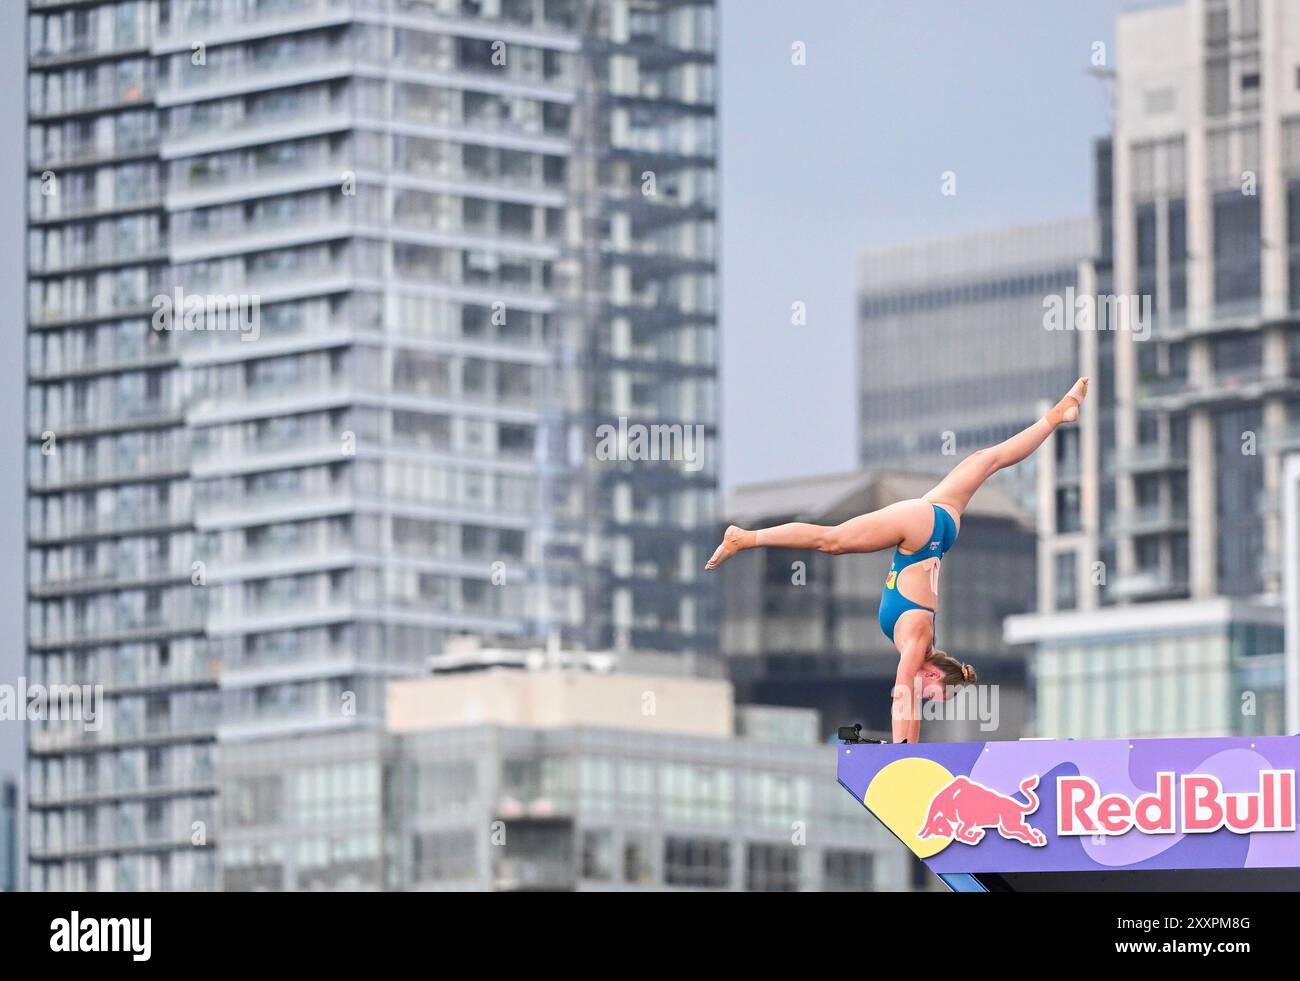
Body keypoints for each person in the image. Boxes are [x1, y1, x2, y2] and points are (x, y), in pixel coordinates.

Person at [705, 378, 1089, 743]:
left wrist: (910, 744)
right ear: (937, 672)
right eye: (935, 693)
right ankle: (745, 537)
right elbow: (902, 691)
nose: (928, 696)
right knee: (831, 540)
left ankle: (1058, 414)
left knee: (986, 460)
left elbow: (910, 696)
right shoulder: (919, 639)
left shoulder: (922, 643)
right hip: (922, 533)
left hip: (940, 528)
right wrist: (907, 753)